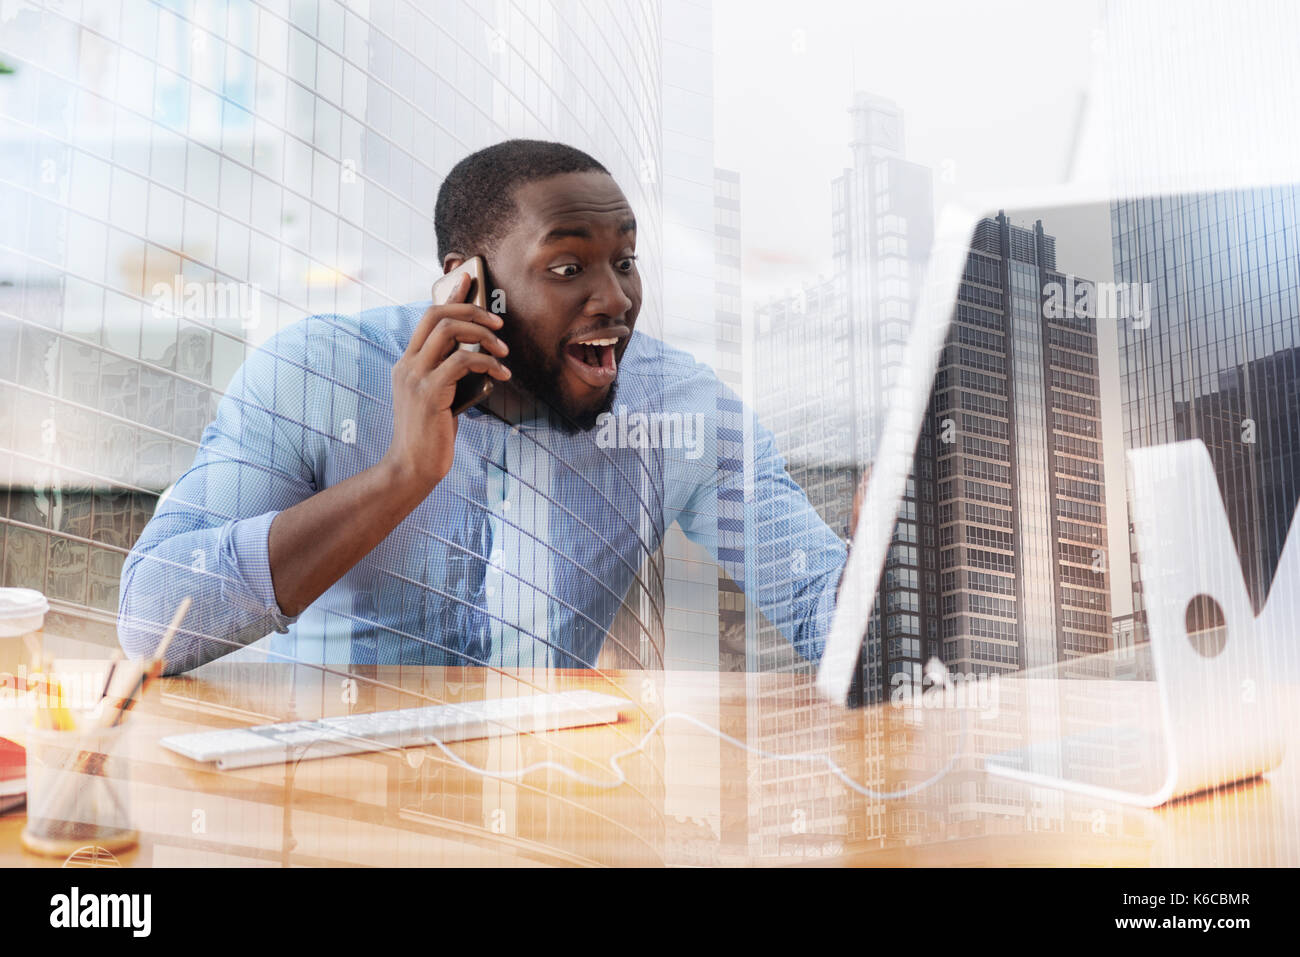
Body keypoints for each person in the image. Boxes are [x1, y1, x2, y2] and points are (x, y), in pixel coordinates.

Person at [117, 139, 848, 673]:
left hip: (550, 807)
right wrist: (400, 476)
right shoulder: (317, 375)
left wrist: (900, 564)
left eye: (624, 261)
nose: (617, 299)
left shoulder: (676, 408)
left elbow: (826, 610)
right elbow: (153, 621)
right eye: (569, 268)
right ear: (468, 282)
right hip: (334, 802)